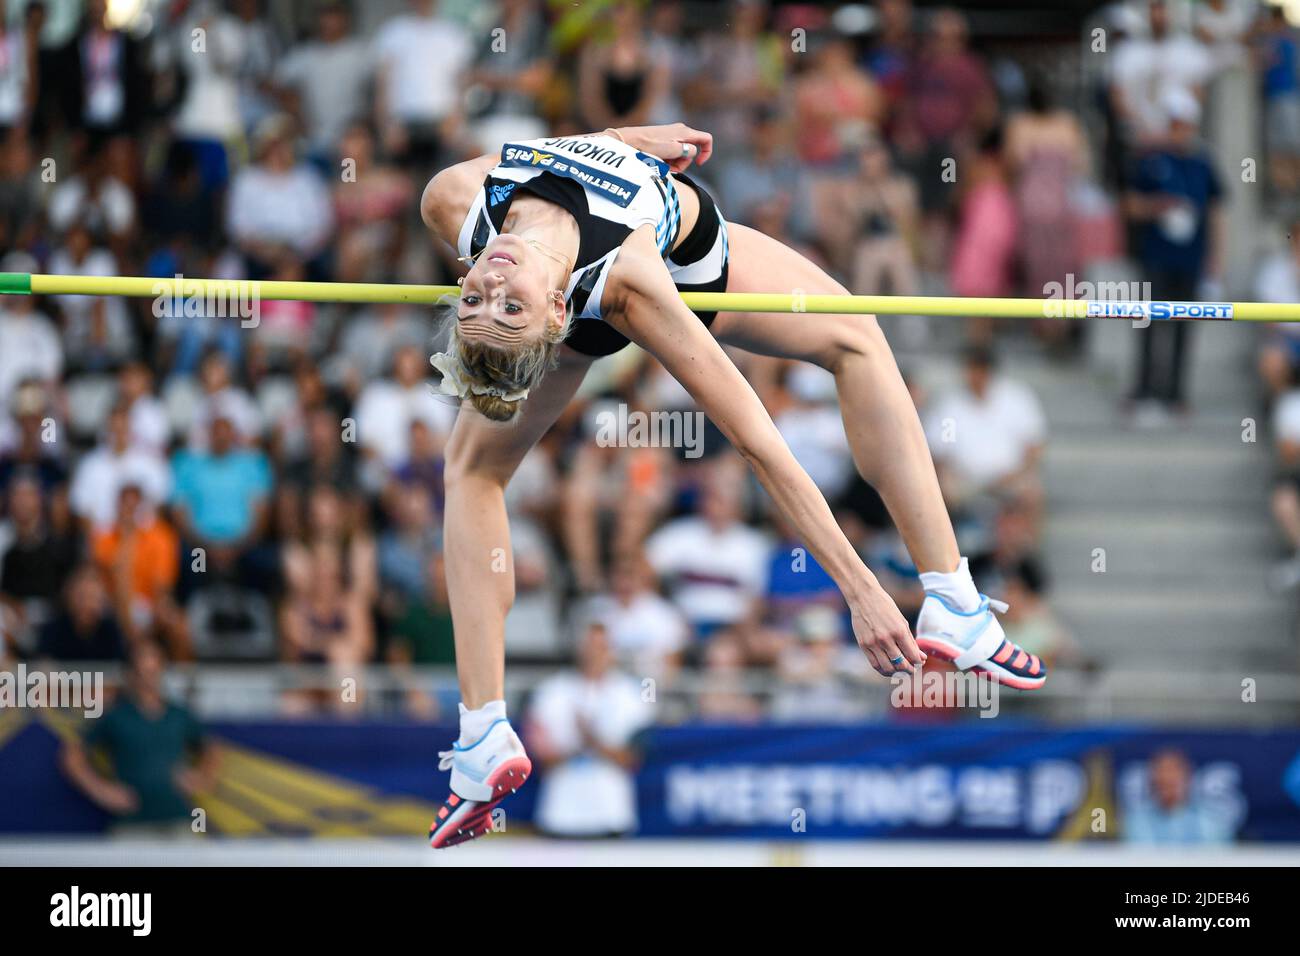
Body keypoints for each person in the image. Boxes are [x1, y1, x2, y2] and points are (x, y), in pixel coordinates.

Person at [418, 121, 1046, 848]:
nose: (491, 286)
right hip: (685, 266)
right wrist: (862, 588)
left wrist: (625, 139)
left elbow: (540, 161)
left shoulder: (453, 201)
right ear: (554, 313)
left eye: (476, 303)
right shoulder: (629, 281)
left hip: (609, 236)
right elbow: (759, 443)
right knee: (857, 339)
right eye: (511, 306)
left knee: (469, 469)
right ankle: (952, 599)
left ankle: (483, 737)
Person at [61, 641, 219, 838]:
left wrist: (202, 776)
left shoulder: (179, 714)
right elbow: (73, 753)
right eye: (142, 671)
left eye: (154, 670)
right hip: (132, 824)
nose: (149, 679)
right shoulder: (116, 715)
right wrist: (101, 790)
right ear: (130, 674)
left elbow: (210, 748)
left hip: (179, 821)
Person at [524, 622, 653, 839]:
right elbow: (539, 761)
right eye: (589, 646)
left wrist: (592, 740)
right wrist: (577, 746)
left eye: (601, 647)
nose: (594, 654)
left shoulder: (631, 695)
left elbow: (633, 759)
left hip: (610, 812)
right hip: (560, 812)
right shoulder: (551, 692)